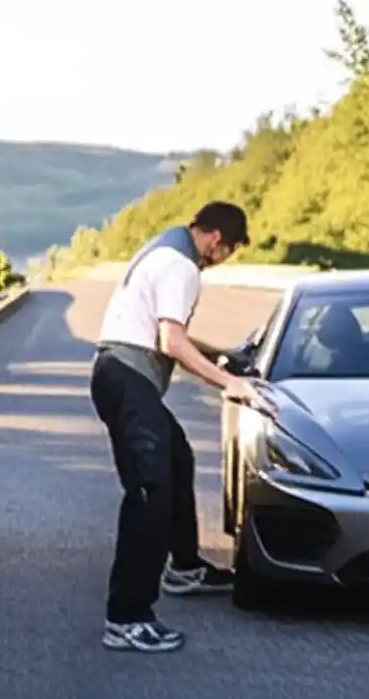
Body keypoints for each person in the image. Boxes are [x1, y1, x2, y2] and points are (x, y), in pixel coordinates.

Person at [89, 201, 253, 653]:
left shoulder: (164, 248)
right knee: (149, 491)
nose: (223, 261)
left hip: (118, 373)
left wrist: (222, 354)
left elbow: (167, 328)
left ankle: (184, 565)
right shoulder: (183, 266)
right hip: (128, 377)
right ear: (218, 240)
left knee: (178, 458)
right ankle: (127, 616)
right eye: (230, 251)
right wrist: (230, 383)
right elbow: (171, 341)